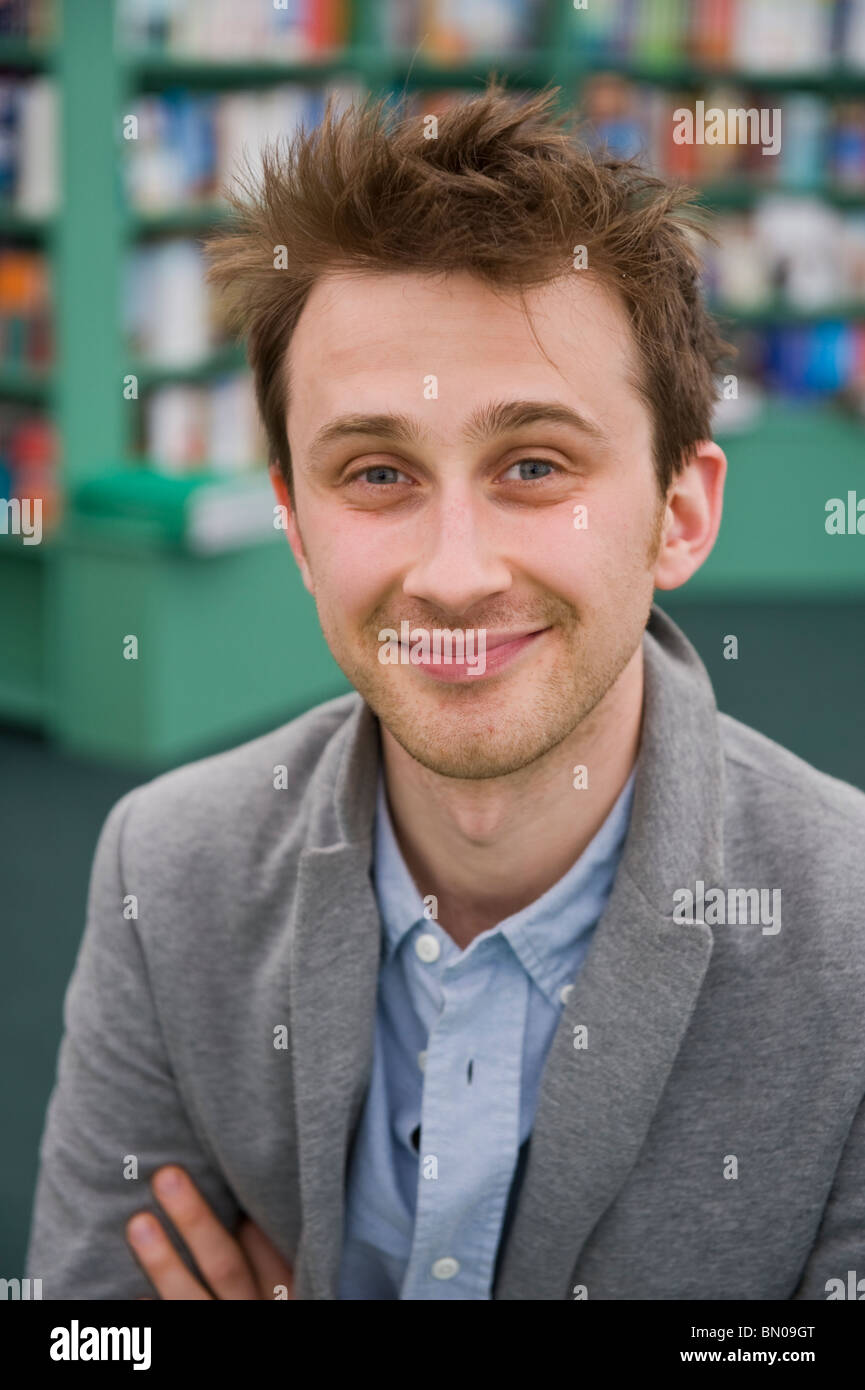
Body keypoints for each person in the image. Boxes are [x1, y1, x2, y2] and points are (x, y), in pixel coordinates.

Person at [26, 84, 865, 1301]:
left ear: (679, 513)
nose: (455, 574)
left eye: (534, 465)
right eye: (375, 472)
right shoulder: (165, 868)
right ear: (300, 529)